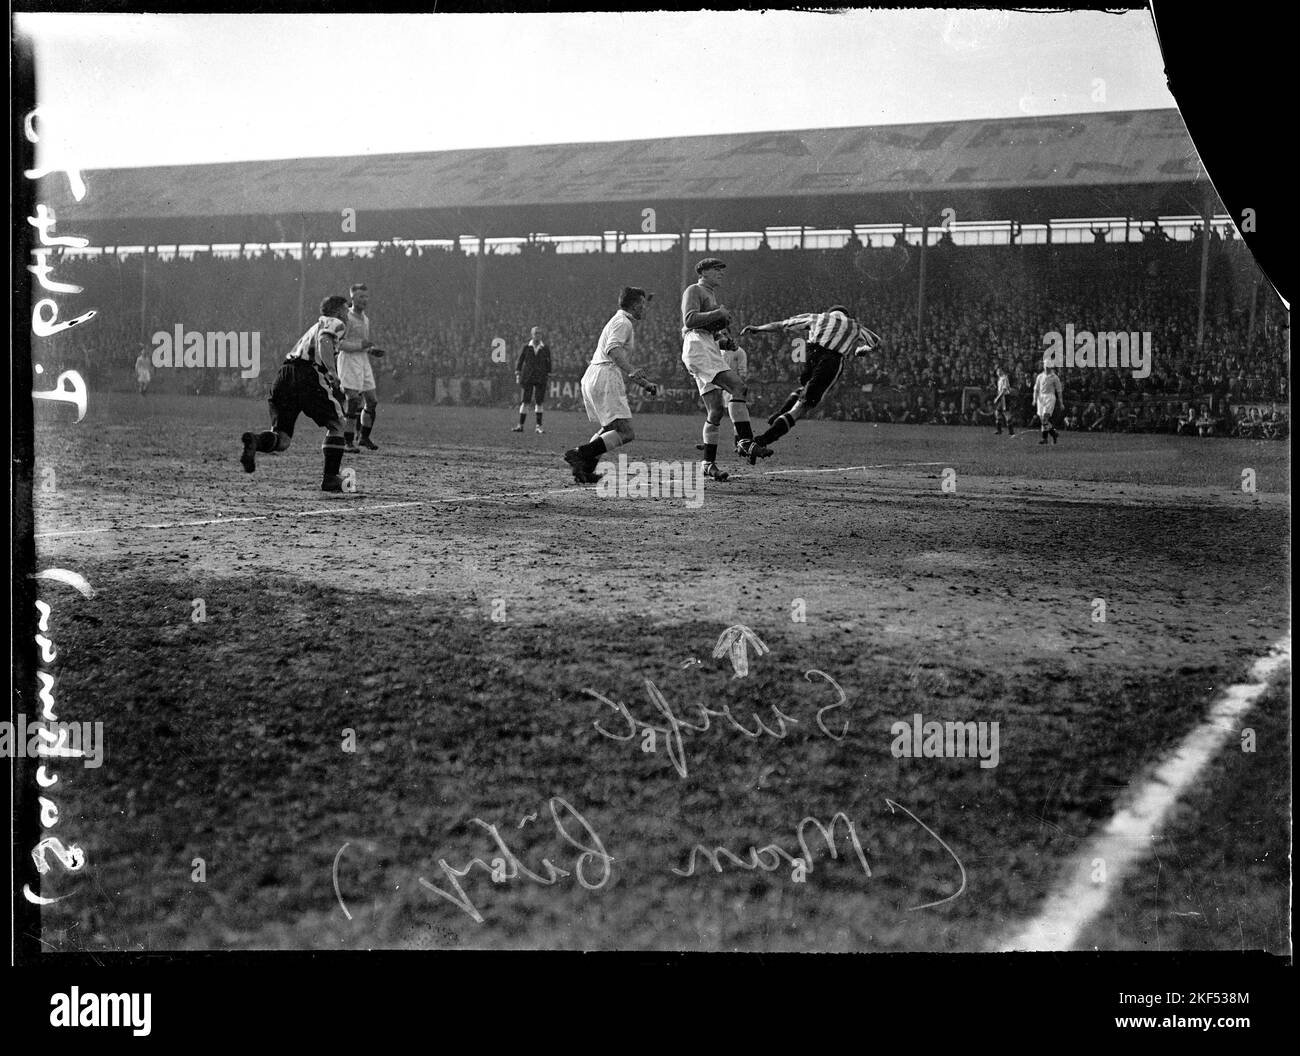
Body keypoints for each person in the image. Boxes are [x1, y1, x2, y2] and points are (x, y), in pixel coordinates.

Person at [240, 295, 351, 492]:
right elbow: (325, 340)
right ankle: (330, 478)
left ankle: (255, 441)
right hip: (307, 374)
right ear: (336, 311)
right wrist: (332, 371)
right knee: (338, 424)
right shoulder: (335, 323)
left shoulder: (315, 326)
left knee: (282, 440)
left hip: (284, 375)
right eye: (345, 308)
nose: (348, 313)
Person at [740, 304, 879, 450]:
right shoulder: (854, 326)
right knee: (800, 409)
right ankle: (761, 441)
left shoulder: (816, 317)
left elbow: (781, 324)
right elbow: (876, 342)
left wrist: (758, 328)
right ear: (846, 316)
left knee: (805, 387)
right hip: (831, 361)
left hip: (812, 356)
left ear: (830, 313)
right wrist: (862, 349)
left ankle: (779, 413)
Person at [680, 258, 771, 480]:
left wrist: (723, 341)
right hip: (697, 346)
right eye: (716, 269)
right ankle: (745, 441)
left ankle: (708, 464)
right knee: (738, 387)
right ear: (703, 272)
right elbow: (689, 319)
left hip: (705, 345)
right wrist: (717, 314)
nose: (721, 273)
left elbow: (707, 328)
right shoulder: (694, 289)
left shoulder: (711, 295)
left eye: (722, 270)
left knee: (716, 410)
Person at [563, 287, 660, 484]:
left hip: (595, 374)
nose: (644, 309)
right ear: (634, 305)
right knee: (626, 432)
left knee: (608, 428)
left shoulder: (619, 320)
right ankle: (578, 454)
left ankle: (584, 470)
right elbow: (613, 349)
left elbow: (615, 354)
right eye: (642, 305)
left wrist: (644, 383)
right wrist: (632, 370)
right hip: (605, 374)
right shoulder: (623, 322)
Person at [337, 282, 384, 452]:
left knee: (372, 401)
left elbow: (362, 343)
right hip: (348, 361)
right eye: (361, 297)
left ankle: (364, 437)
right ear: (353, 298)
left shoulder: (366, 319)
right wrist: (360, 345)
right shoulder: (345, 318)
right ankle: (347, 441)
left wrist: (371, 350)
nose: (364, 300)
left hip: (363, 361)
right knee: (353, 401)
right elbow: (339, 344)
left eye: (366, 297)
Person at [512, 326, 552, 434]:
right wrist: (518, 373)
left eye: (539, 333)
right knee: (525, 401)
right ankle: (520, 425)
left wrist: (548, 375)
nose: (538, 335)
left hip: (540, 377)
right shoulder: (526, 347)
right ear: (532, 334)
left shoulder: (545, 348)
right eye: (536, 333)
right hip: (528, 377)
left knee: (539, 402)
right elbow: (520, 361)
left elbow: (549, 363)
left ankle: (538, 426)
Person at [1032, 357, 1064, 444]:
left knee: (1045, 419)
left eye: (1049, 367)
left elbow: (1059, 390)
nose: (1047, 369)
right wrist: (1034, 399)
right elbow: (1036, 389)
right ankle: (1052, 434)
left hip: (1050, 397)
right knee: (1042, 419)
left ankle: (1047, 436)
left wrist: (1061, 403)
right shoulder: (1040, 376)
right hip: (1041, 398)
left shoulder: (1055, 377)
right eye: (1046, 367)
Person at [992, 366, 1015, 436]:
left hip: (1004, 397)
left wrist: (997, 398)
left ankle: (1011, 431)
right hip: (1002, 397)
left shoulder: (1004, 378)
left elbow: (1004, 390)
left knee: (1006, 413)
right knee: (997, 412)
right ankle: (999, 430)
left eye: (998, 371)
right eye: (997, 371)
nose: (997, 372)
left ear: (1002, 371)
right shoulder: (1000, 379)